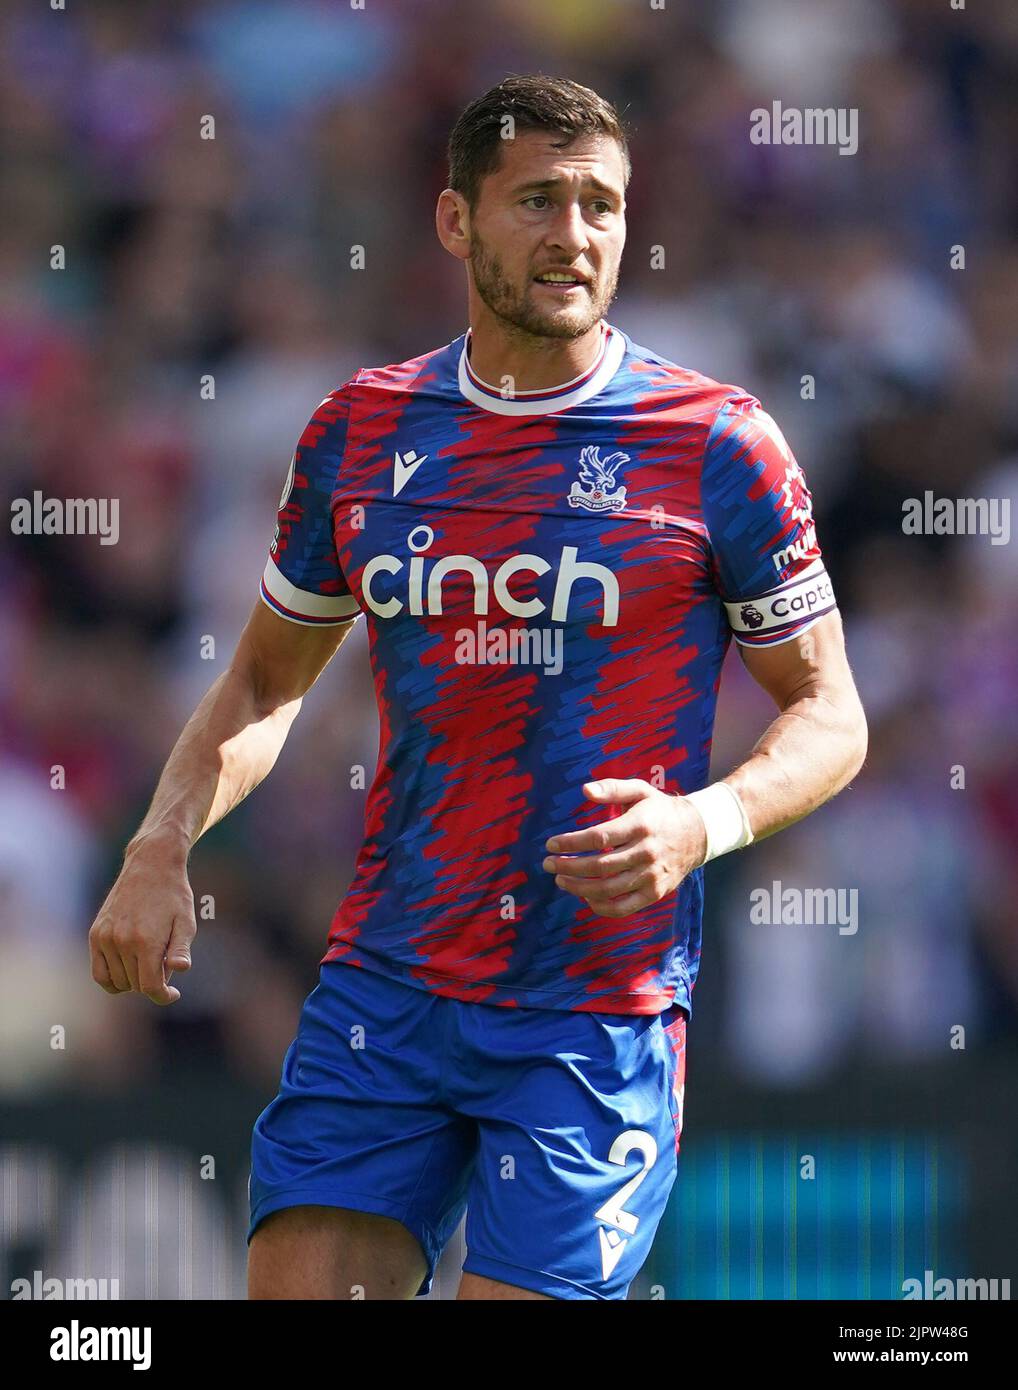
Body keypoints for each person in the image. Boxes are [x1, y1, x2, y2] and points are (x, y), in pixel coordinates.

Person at [89, 75, 867, 1301]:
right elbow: (258, 681)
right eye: (539, 200)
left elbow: (830, 711)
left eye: (601, 204)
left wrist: (701, 822)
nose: (575, 235)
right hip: (385, 988)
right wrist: (158, 843)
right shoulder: (362, 429)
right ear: (455, 220)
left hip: (591, 1007)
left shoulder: (715, 443)